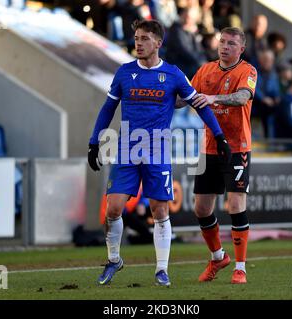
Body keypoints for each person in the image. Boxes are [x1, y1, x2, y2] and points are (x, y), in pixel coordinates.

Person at [88, 19, 231, 287]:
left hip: (157, 150)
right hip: (127, 150)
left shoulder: (174, 74)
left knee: (159, 210)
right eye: (136, 38)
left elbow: (199, 105)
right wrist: (94, 142)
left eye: (144, 39)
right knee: (114, 208)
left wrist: (219, 136)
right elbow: (107, 109)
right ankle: (114, 260)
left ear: (158, 43)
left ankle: (161, 270)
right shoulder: (124, 73)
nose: (138, 43)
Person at [188, 27, 258, 284]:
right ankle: (218, 257)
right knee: (201, 208)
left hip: (238, 147)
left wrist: (212, 98)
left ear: (241, 49)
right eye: (222, 42)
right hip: (209, 147)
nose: (225, 46)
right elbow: (182, 99)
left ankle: (240, 268)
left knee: (235, 205)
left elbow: (241, 98)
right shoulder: (205, 70)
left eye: (231, 43)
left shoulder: (247, 71)